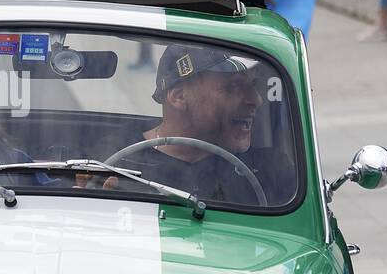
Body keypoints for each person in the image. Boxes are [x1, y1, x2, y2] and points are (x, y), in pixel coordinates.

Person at [100, 44, 295, 208]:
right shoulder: (114, 161)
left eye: (253, 85)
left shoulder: (270, 169)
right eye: (233, 86)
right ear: (179, 96)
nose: (256, 99)